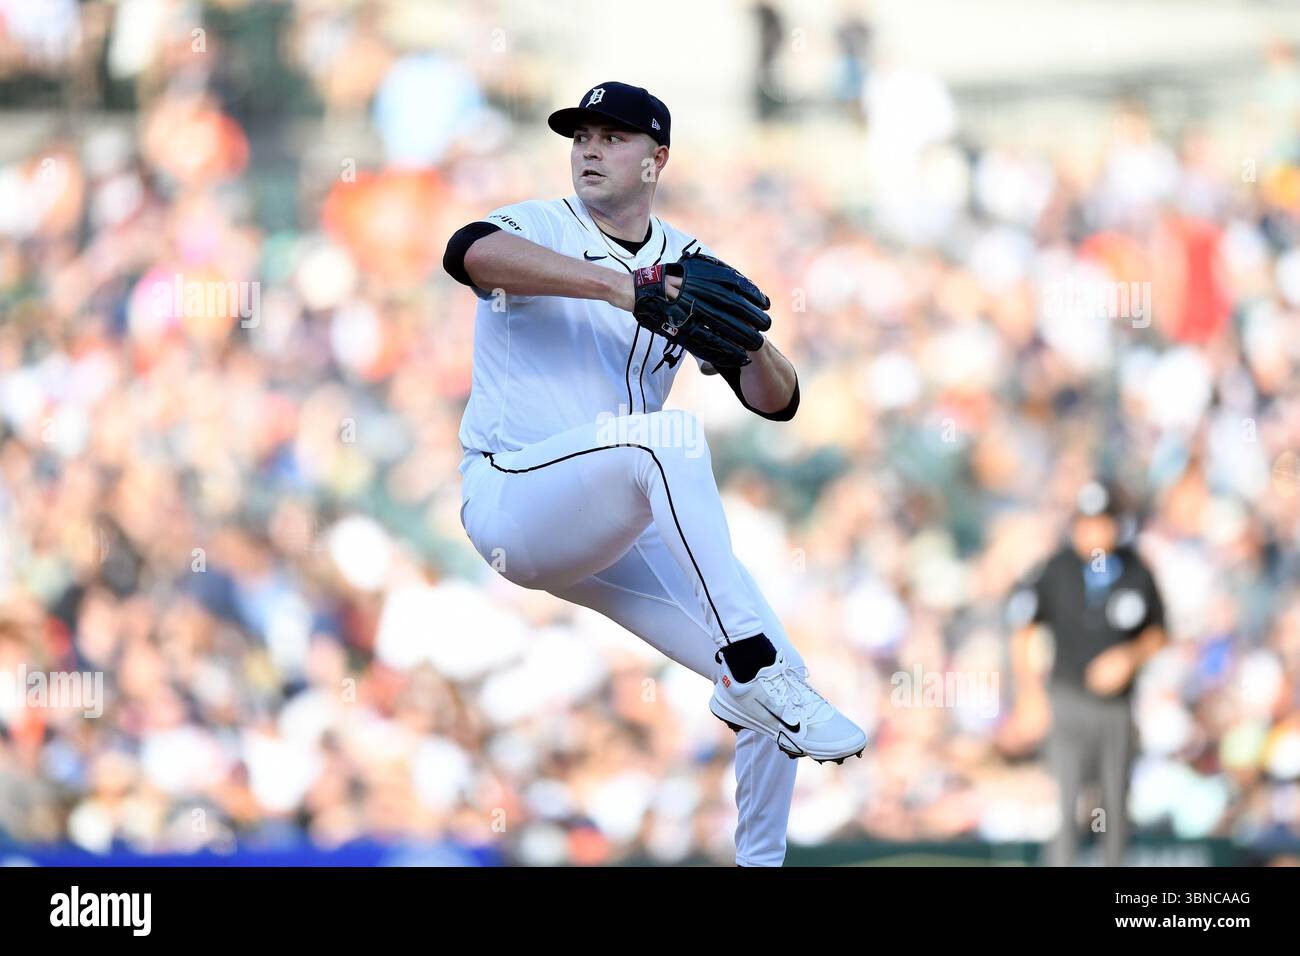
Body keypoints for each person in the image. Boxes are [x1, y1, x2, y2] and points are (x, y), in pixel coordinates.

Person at [441, 81, 866, 866]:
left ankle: (760, 855)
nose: (590, 149)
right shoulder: (540, 223)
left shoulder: (687, 262)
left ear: (656, 158)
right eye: (581, 136)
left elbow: (779, 402)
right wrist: (622, 288)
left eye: (613, 136)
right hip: (512, 494)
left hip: (611, 523)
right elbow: (467, 252)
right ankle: (746, 665)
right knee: (664, 439)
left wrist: (746, 344)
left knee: (784, 671)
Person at [1006, 480, 1169, 866]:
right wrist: (1029, 694)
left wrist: (1130, 656)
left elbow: (1159, 631)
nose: (1095, 533)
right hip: (1068, 700)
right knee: (1068, 801)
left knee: (1113, 803)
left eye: (1103, 523)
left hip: (1115, 707)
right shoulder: (1056, 569)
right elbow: (1023, 628)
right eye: (1087, 523)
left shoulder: (1136, 569)